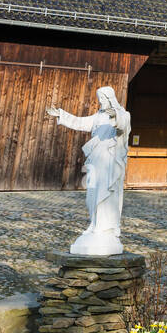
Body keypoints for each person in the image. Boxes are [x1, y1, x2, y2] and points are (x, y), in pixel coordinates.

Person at [47, 86, 131, 255]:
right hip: (95, 160)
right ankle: (94, 224)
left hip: (109, 163)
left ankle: (106, 228)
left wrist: (114, 114)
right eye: (99, 99)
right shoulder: (98, 116)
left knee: (105, 194)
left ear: (110, 98)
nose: (100, 102)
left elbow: (122, 126)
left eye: (103, 98)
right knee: (91, 195)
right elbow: (80, 122)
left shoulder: (123, 115)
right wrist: (61, 115)